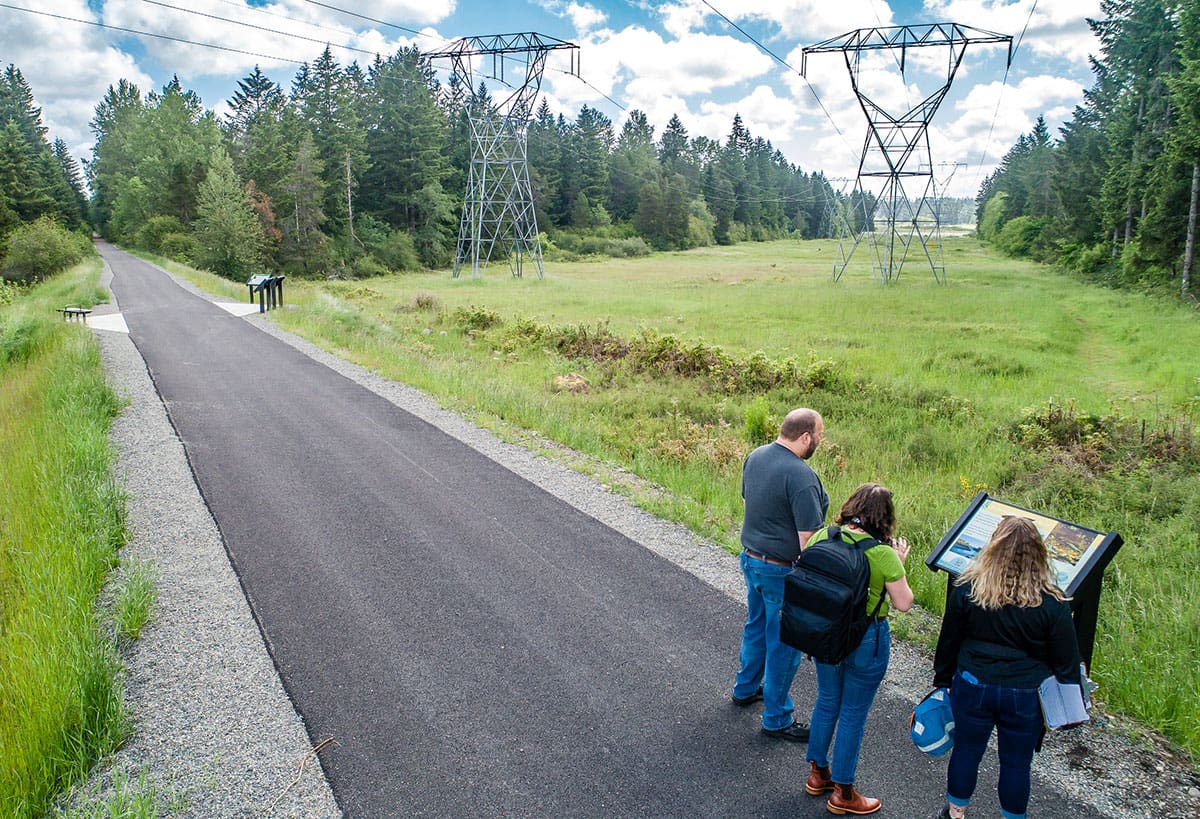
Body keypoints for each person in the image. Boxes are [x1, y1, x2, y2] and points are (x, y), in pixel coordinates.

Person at [931, 516, 1084, 819]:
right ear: (1039, 553)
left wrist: (943, 679)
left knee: (966, 751)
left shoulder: (970, 588)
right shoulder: (1053, 603)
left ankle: (955, 813)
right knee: (1016, 763)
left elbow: (949, 639)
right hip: (1025, 693)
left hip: (973, 682)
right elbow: (1066, 662)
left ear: (993, 548)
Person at [803, 483, 913, 815]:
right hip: (868, 639)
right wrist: (899, 561)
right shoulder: (882, 554)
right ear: (885, 519)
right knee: (853, 713)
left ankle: (817, 774)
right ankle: (844, 793)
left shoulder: (825, 536)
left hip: (826, 634)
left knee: (826, 701)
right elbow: (904, 603)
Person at [731, 407, 828, 742]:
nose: (820, 440)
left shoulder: (755, 457)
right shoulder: (801, 476)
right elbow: (809, 542)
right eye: (820, 434)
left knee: (756, 626)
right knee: (785, 642)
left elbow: (748, 500)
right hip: (781, 572)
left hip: (751, 559)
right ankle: (776, 717)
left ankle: (745, 688)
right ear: (805, 436)